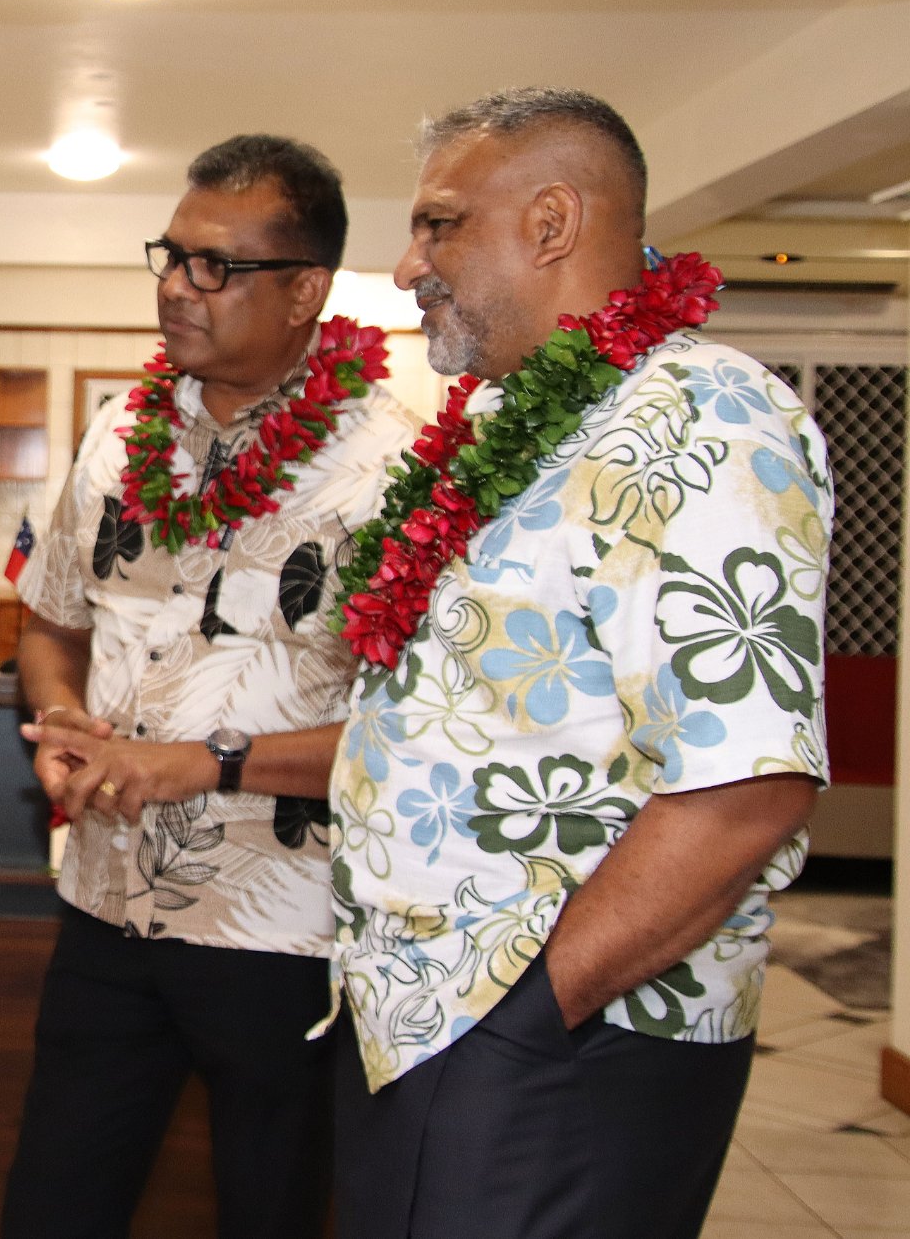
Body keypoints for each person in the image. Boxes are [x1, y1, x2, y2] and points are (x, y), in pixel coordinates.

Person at [329, 88, 831, 1239]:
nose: (406, 265)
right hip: (428, 1019)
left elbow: (744, 781)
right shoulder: (531, 424)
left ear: (550, 221)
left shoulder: (702, 418)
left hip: (560, 1038)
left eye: (437, 224)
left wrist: (520, 1013)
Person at [2, 136, 417, 1239]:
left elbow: (415, 730)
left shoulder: (397, 467)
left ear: (304, 292)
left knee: (269, 1214)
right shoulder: (117, 435)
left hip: (279, 935)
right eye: (170, 255)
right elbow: (48, 622)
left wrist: (203, 764)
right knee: (50, 1206)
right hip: (104, 906)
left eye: (213, 266)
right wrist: (54, 719)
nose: (175, 287)